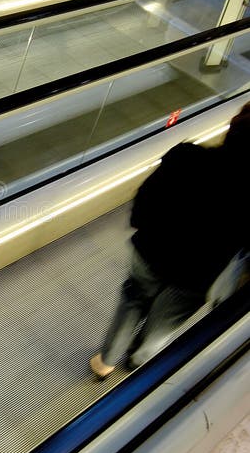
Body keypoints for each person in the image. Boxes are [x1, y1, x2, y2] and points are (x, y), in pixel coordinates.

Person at [90, 101, 250, 378]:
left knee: (133, 299)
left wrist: (141, 227)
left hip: (152, 251)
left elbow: (145, 199)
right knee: (164, 323)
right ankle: (138, 361)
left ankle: (107, 360)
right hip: (196, 276)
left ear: (232, 129)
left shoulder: (186, 157)